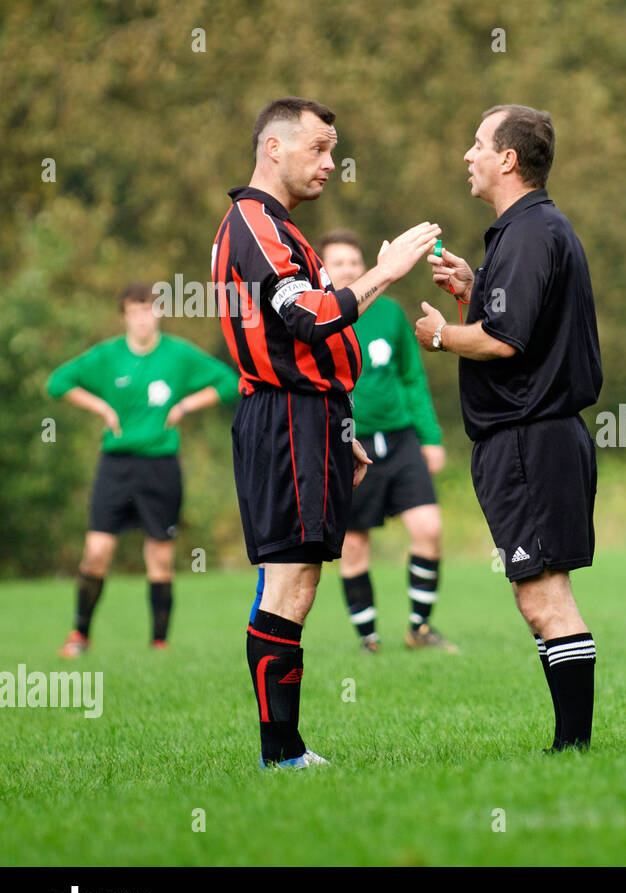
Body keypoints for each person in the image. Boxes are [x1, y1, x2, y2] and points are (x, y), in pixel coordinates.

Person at [212, 96, 440, 769]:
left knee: (300, 580)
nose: (331, 163)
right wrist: (386, 271)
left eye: (333, 149)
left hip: (309, 419)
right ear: (273, 149)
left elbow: (304, 342)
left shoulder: (279, 226)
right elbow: (310, 317)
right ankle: (280, 754)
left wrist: (339, 427)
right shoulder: (254, 224)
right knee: (288, 582)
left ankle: (285, 750)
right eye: (318, 148)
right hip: (282, 417)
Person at [414, 105, 602, 752]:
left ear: (508, 159)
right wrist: (473, 285)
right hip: (535, 439)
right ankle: (569, 746)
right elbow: (514, 318)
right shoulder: (530, 231)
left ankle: (572, 750)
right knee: (537, 597)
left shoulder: (526, 234)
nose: (468, 155)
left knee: (546, 597)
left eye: (477, 144)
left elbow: (503, 342)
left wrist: (440, 334)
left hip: (531, 439)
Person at [48, 283, 240, 656]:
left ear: (160, 313)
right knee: (97, 551)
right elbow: (57, 383)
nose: (142, 319)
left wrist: (185, 406)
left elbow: (231, 383)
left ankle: (159, 643)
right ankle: (80, 635)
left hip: (161, 466)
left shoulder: (179, 354)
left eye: (149, 310)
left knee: (161, 555)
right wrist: (101, 408)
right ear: (123, 317)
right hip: (116, 466)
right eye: (135, 311)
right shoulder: (106, 356)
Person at [317, 229, 455, 654]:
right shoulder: (317, 317)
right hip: (348, 445)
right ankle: (368, 639)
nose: (348, 269)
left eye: (354, 261)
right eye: (338, 262)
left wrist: (430, 438)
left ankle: (420, 628)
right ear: (322, 270)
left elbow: (412, 378)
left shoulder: (392, 314)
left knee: (428, 528)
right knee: (355, 544)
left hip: (400, 441)